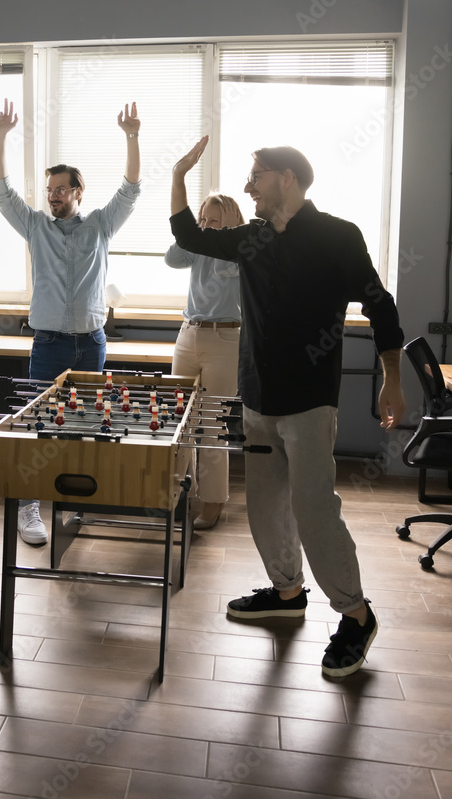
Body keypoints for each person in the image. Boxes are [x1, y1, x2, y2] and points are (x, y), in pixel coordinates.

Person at [170, 139, 405, 677]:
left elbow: (380, 305)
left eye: (257, 175)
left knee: (313, 509)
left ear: (289, 180)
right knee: (264, 504)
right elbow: (186, 233)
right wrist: (180, 173)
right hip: (257, 395)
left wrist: (391, 379)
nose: (248, 185)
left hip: (308, 401)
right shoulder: (251, 239)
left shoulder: (338, 237)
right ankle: (286, 591)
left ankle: (355, 614)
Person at [0, 99, 141, 545]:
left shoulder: (101, 226)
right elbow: (0, 189)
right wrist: (0, 136)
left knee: (84, 426)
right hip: (50, 343)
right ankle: (29, 510)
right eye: (50, 189)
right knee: (41, 426)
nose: (53, 194)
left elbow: (131, 188)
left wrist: (131, 136)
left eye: (61, 188)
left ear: (77, 192)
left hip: (91, 343)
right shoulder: (35, 226)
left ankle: (73, 501)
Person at [165, 193, 244, 529]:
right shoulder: (197, 244)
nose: (208, 226)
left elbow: (226, 266)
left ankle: (213, 502)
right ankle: (183, 493)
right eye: (204, 219)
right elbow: (172, 258)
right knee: (179, 423)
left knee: (212, 426)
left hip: (225, 339)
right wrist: (192, 231)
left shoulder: (241, 248)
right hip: (189, 333)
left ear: (232, 221)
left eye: (216, 220)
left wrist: (217, 234)